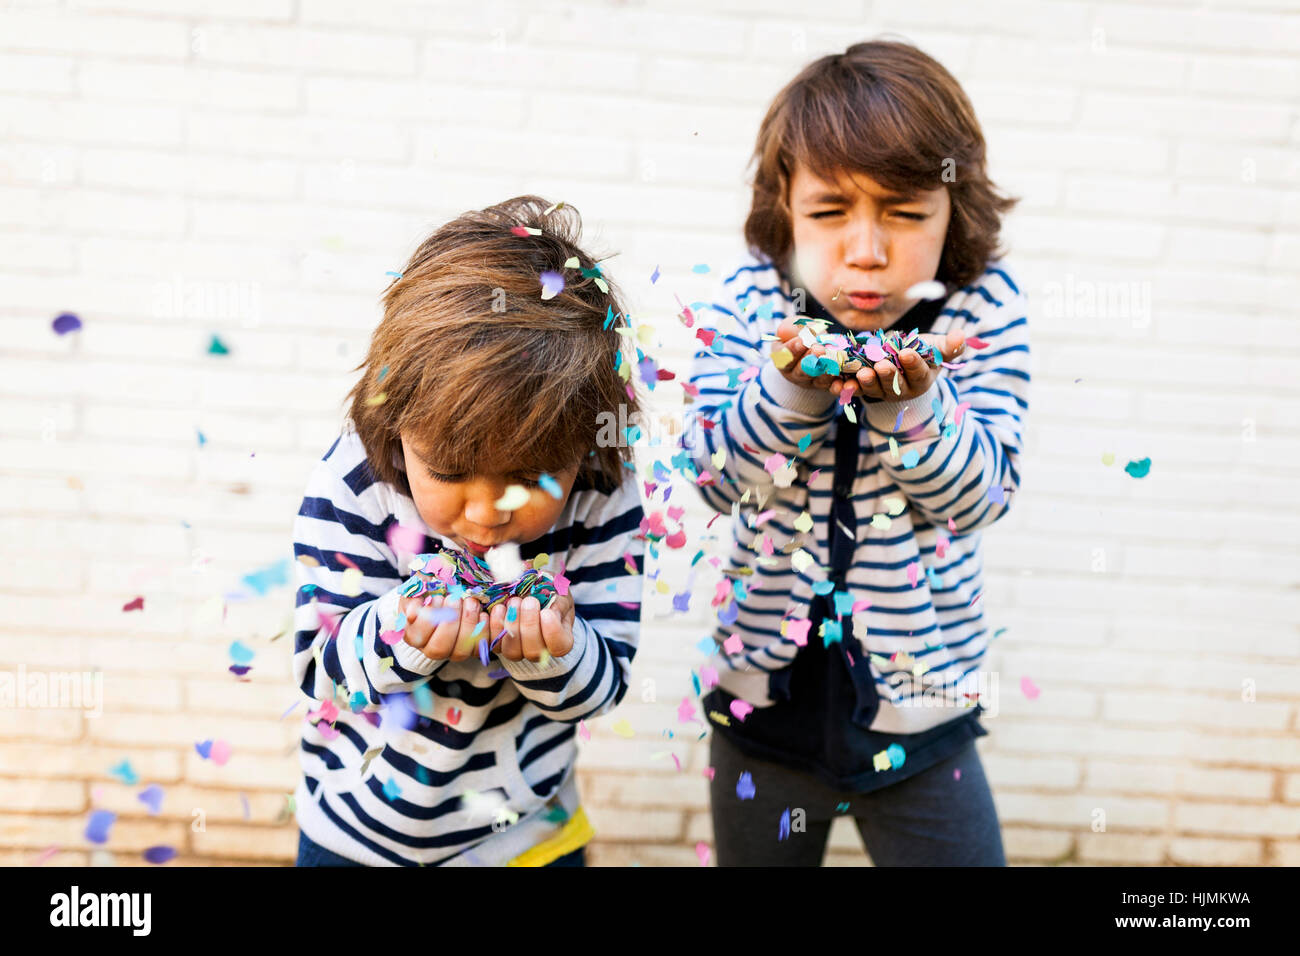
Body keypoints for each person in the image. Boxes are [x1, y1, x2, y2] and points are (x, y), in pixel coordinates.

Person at [679, 39, 1029, 866]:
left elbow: (981, 499)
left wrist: (911, 409)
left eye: (905, 214)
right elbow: (711, 478)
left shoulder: (979, 312)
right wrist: (790, 390)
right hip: (760, 710)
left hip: (925, 718)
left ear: (954, 212)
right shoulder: (749, 299)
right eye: (830, 213)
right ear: (785, 209)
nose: (866, 249)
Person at [290, 196, 645, 866]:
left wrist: (554, 649)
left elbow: (606, 687)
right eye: (451, 472)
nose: (484, 514)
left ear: (584, 446)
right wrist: (404, 631)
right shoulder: (353, 483)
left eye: (530, 476)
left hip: (527, 838)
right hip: (356, 836)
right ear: (394, 424)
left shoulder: (602, 493)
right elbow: (320, 673)